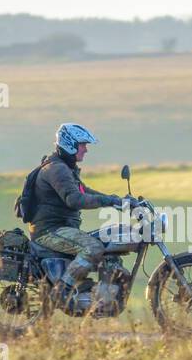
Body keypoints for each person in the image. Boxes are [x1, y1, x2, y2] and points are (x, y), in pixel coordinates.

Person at [30, 123, 124, 300]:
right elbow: (75, 199)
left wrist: (117, 200)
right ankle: (63, 290)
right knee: (93, 247)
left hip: (63, 228)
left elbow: (83, 191)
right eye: (83, 145)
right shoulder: (56, 169)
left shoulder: (65, 168)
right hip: (50, 231)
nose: (86, 150)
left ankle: (94, 292)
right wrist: (108, 201)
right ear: (69, 143)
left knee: (107, 245)